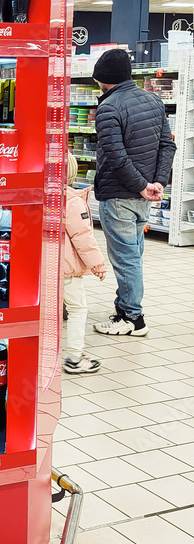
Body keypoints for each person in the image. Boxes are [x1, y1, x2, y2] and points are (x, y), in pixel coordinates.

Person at [91, 47, 176, 337]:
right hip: (145, 196)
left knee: (126, 258)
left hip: (120, 196)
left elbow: (116, 156)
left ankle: (131, 317)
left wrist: (141, 186)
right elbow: (168, 145)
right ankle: (125, 308)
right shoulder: (153, 100)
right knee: (134, 255)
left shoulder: (108, 108)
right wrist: (157, 183)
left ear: (102, 79)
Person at [63, 153, 106, 374]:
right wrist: (98, 264)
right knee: (78, 308)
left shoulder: (41, 194)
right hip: (67, 271)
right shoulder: (71, 201)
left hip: (43, 268)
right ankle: (74, 357)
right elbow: (83, 238)